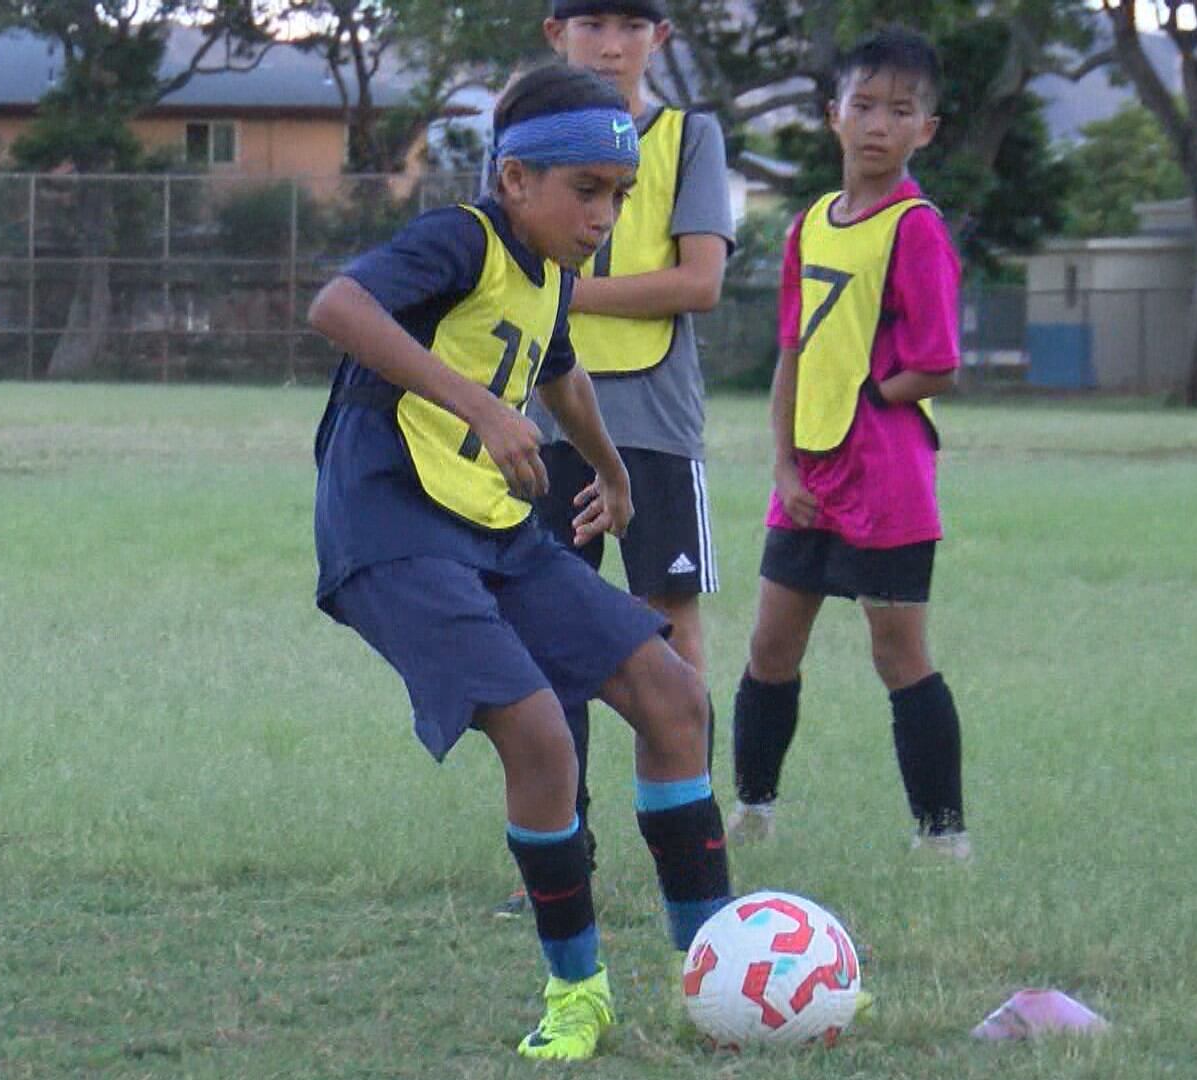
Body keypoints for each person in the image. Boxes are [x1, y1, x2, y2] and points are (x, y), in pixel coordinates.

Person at [308, 64, 734, 1061]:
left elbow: (562, 373)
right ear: (514, 180)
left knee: (675, 698)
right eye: (586, 190)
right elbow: (338, 306)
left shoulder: (551, 277)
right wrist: (484, 406)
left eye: (619, 196)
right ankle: (576, 993)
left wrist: (612, 473)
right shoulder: (463, 235)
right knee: (542, 740)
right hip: (391, 527)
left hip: (492, 526)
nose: (604, 213)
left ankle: (721, 971)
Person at [488, 0, 735, 919]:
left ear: (659, 41)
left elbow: (698, 281)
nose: (611, 41)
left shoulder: (690, 136)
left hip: (657, 425)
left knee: (668, 632)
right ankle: (561, 855)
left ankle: (691, 849)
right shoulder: (518, 136)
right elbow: (503, 265)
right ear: (557, 37)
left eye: (633, 24)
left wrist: (574, 289)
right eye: (591, 22)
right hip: (544, 425)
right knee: (546, 636)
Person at [726, 27, 972, 858]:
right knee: (769, 646)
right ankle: (753, 810)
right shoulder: (808, 228)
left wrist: (873, 395)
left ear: (924, 131)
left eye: (900, 111)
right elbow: (793, 352)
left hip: (890, 483)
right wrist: (786, 462)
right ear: (833, 115)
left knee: (898, 656)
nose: (878, 124)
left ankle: (942, 837)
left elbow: (938, 364)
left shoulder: (917, 229)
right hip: (807, 482)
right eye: (863, 104)